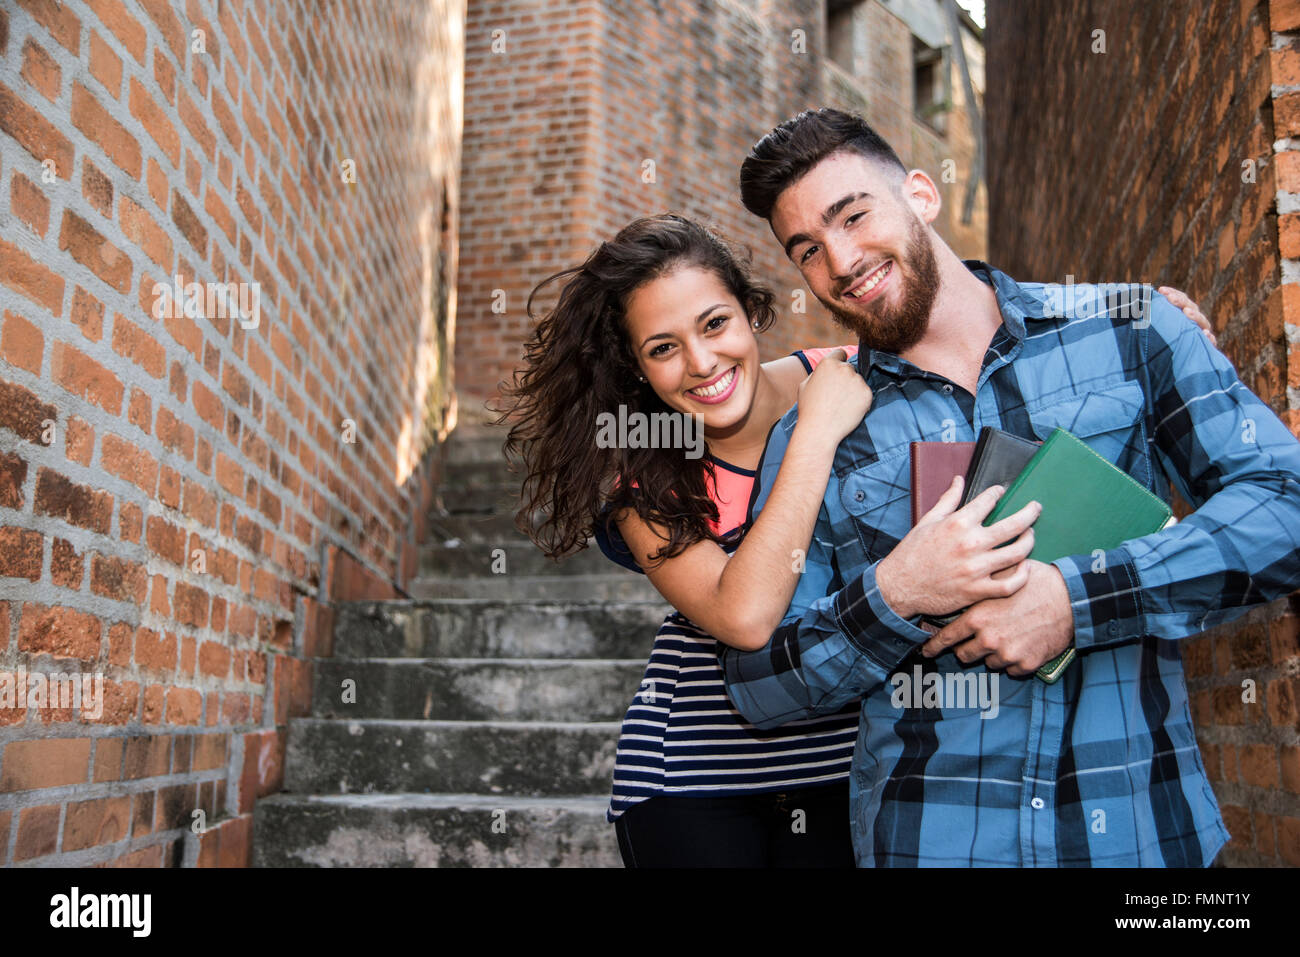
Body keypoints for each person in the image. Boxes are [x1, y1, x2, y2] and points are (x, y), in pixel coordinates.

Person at [496, 212, 1214, 867]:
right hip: (694, 784)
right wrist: (812, 433)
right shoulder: (644, 479)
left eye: (715, 324)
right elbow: (747, 617)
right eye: (663, 348)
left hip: (846, 769)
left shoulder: (847, 374)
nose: (702, 362)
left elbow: (983, 337)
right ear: (638, 369)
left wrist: (1138, 313)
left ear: (751, 312)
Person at [719, 107, 1300, 867]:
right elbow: (760, 686)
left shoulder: (1131, 330)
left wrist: (1075, 600)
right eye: (808, 250)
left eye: (854, 216)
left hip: (1141, 838)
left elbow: (1283, 504)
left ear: (921, 194)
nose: (842, 261)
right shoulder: (816, 436)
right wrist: (894, 594)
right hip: (932, 844)